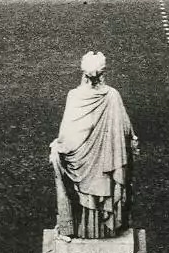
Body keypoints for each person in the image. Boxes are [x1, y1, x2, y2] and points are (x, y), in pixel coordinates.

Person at [50, 51, 139, 238]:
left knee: (58, 157)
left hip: (81, 163)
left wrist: (58, 146)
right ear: (102, 74)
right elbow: (126, 131)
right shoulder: (113, 95)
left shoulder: (74, 96)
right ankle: (108, 227)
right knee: (104, 185)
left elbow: (67, 136)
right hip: (106, 167)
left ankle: (82, 229)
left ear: (83, 74)